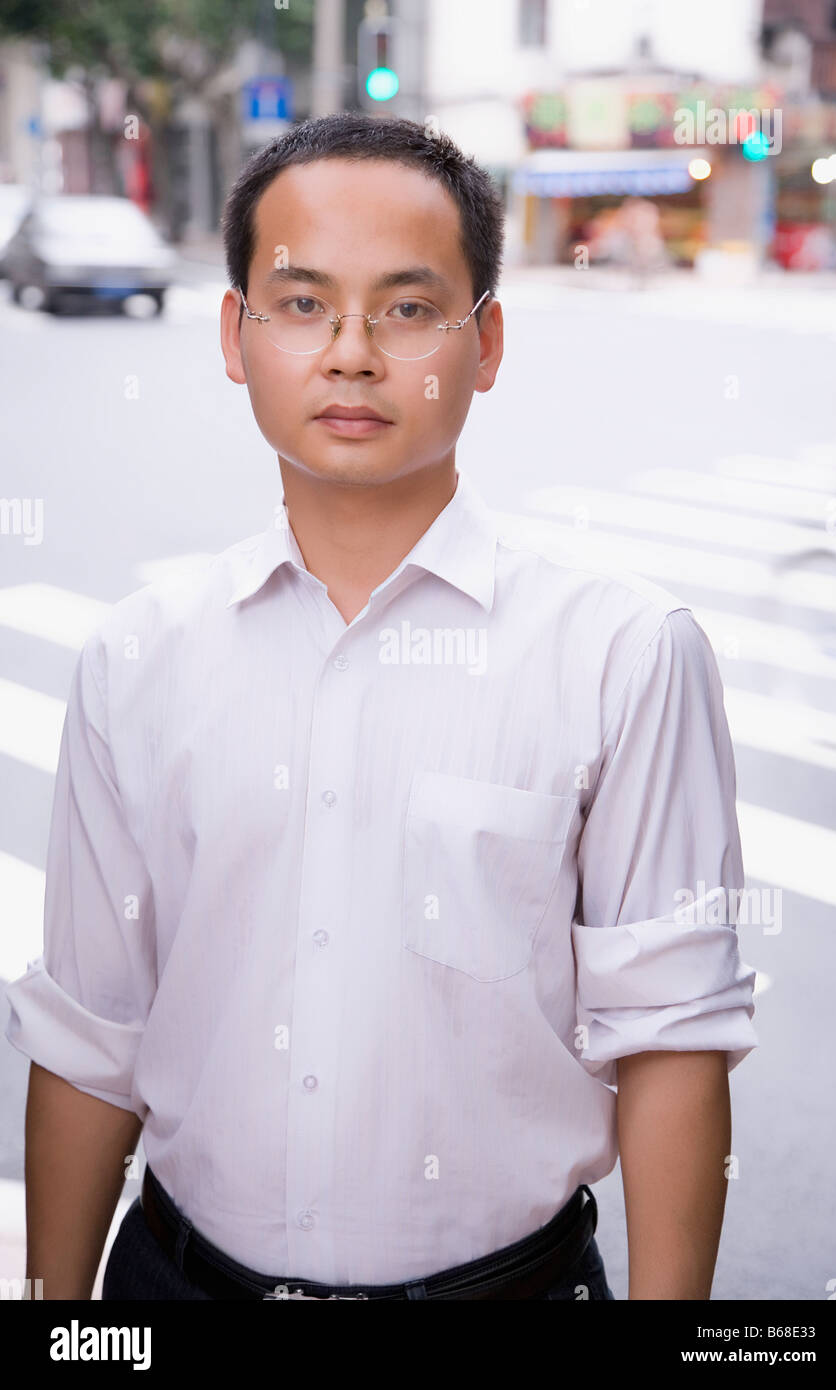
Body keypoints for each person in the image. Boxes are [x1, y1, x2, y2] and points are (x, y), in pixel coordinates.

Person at [5, 113, 758, 1302]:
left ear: (486, 340)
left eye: (407, 308)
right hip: (177, 1285)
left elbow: (670, 1037)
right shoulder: (135, 659)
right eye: (301, 303)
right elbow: (92, 1037)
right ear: (235, 333)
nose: (351, 351)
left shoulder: (620, 652)